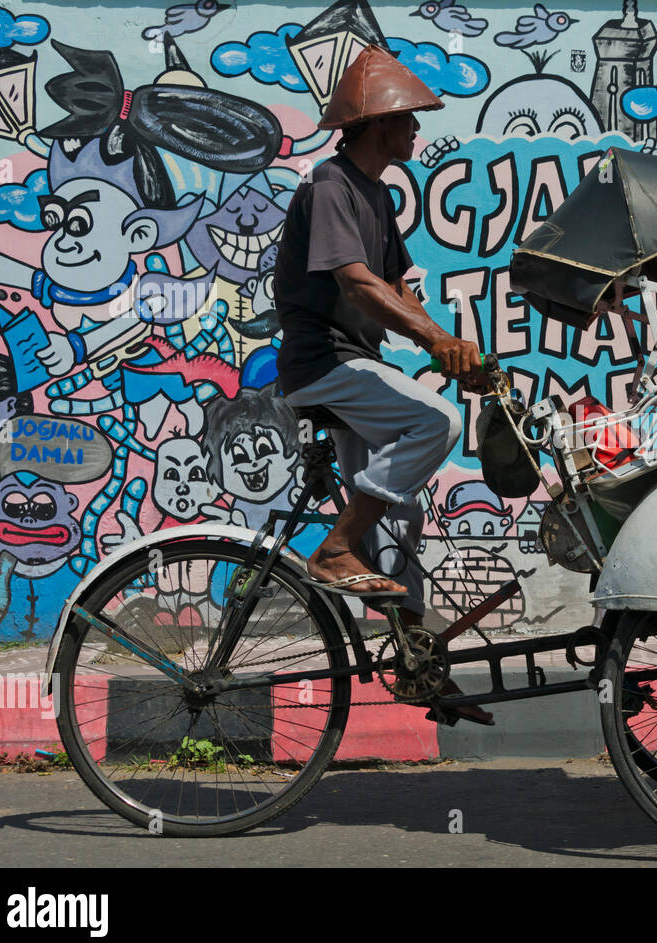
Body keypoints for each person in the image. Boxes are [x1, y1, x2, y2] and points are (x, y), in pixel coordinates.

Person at [274, 45, 490, 722]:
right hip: (325, 364)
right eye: (407, 120)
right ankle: (335, 548)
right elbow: (357, 283)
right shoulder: (331, 185)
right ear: (375, 123)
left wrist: (461, 351)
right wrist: (436, 343)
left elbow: (397, 288)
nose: (417, 131)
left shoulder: (377, 195)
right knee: (435, 423)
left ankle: (419, 659)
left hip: (351, 363)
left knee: (400, 520)